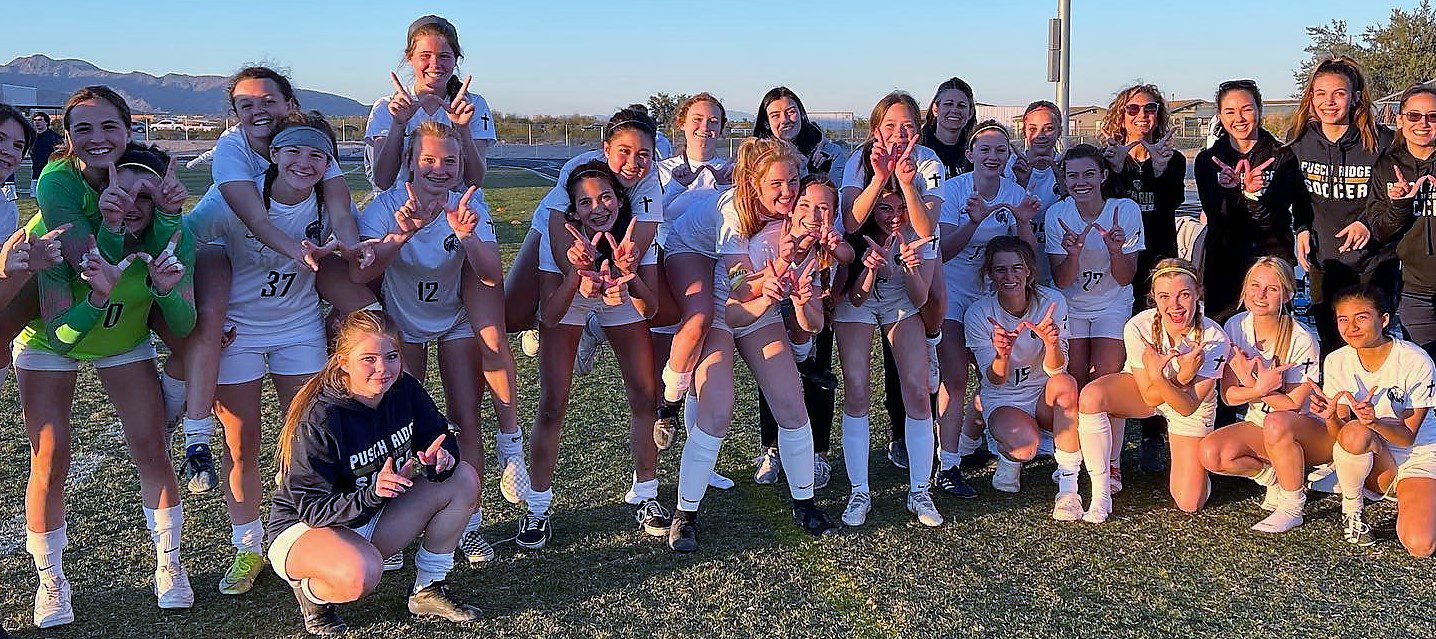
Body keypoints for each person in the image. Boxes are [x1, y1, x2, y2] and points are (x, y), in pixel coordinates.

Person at [167, 66, 367, 497]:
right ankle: (193, 427)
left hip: (292, 316)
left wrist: (353, 249)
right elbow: (255, 220)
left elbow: (341, 211)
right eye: (246, 105)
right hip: (222, 270)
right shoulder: (232, 156)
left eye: (268, 102)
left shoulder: (314, 151)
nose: (258, 111)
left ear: (290, 105)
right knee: (212, 318)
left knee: (316, 428)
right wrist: (298, 250)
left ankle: (313, 513)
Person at [27, 138, 197, 624]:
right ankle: (51, 580)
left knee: (151, 445)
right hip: (49, 340)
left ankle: (170, 563)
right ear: (106, 187)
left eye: (148, 196)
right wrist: (98, 298)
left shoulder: (173, 234)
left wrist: (166, 294)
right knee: (50, 453)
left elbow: (183, 329)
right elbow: (59, 338)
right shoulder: (58, 231)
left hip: (121, 342)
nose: (134, 206)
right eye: (125, 191)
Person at [186, 113, 350, 594]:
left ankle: (306, 532)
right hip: (239, 332)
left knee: (309, 439)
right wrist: (204, 316)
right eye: (293, 151)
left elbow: (351, 244)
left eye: (317, 154)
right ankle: (247, 545)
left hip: (298, 328)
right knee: (243, 443)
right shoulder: (231, 198)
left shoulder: (329, 202)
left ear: (329, 164)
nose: (304, 162)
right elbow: (184, 240)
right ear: (273, 154)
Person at [355, 120, 525, 563]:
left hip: (453, 320)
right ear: (410, 162)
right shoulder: (383, 206)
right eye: (428, 159)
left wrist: (467, 236)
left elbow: (491, 273)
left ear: (461, 164)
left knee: (464, 418)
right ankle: (392, 525)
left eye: (449, 160)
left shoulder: (469, 205)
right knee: (397, 428)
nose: (439, 168)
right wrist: (402, 234)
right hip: (401, 323)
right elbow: (362, 274)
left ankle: (469, 523)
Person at [666, 137, 838, 552]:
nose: (788, 192)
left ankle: (805, 502)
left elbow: (812, 314)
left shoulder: (801, 224)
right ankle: (684, 512)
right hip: (724, 301)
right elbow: (739, 297)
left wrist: (798, 294)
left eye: (794, 182)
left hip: (756, 309)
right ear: (753, 184)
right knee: (717, 410)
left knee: (792, 404)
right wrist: (774, 274)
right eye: (777, 183)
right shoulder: (735, 212)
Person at [267, 310, 481, 636]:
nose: (383, 368)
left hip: (368, 511)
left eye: (391, 356)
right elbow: (311, 509)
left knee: (462, 478)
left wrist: (442, 458)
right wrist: (373, 494)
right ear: (342, 362)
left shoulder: (404, 389)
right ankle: (313, 598)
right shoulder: (321, 418)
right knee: (362, 573)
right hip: (305, 528)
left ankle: (428, 589)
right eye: (369, 359)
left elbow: (438, 436)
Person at [518, 160, 668, 549]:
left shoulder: (634, 239)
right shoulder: (563, 243)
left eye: (605, 197)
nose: (597, 208)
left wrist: (630, 276)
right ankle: (537, 507)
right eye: (585, 203)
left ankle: (646, 493)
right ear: (572, 211)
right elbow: (549, 314)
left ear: (620, 199)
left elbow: (649, 310)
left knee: (644, 396)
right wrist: (576, 275)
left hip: (620, 296)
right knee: (552, 403)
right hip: (571, 298)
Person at [503, 108, 665, 366]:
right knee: (511, 317)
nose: (633, 163)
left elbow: (640, 239)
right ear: (606, 148)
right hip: (566, 235)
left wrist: (611, 281)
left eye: (643, 154)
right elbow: (558, 234)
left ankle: (591, 327)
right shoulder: (577, 167)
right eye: (624, 151)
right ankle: (537, 323)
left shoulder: (649, 179)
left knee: (663, 310)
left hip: (616, 237)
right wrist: (578, 279)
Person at [1075, 259, 1229, 522]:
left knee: (1189, 502)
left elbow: (1186, 406)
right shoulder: (1138, 326)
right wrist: (1180, 376)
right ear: (1153, 298)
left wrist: (1165, 376)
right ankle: (1101, 492)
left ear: (1198, 294)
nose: (1175, 305)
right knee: (1092, 396)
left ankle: (1198, 472)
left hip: (1190, 405)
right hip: (1150, 391)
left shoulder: (1215, 337)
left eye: (1184, 295)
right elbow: (1149, 396)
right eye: (1164, 296)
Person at [936, 120, 1042, 496]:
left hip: (991, 294)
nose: (993, 156)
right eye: (985, 149)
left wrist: (1025, 222)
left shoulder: (1014, 191)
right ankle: (947, 465)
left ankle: (968, 442)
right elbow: (944, 250)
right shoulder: (952, 190)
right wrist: (973, 221)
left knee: (992, 371)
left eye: (1001, 150)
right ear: (970, 154)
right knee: (955, 378)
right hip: (951, 291)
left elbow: (1026, 254)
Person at [835, 173, 940, 526]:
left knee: (917, 388)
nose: (893, 215)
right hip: (859, 302)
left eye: (900, 207)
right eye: (884, 207)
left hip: (901, 301)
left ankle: (920, 491)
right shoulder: (853, 234)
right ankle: (859, 491)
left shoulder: (920, 232)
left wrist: (909, 268)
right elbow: (854, 297)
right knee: (857, 389)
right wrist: (869, 269)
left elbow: (921, 298)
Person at [1198, 257, 1324, 533]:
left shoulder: (1303, 338)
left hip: (1305, 431)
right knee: (1212, 453)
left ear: (1288, 294)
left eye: (1272, 288)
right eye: (1255, 285)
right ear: (1244, 288)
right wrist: (1255, 388)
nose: (1261, 295)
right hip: (1262, 424)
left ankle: (1293, 505)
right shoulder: (1235, 325)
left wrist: (1255, 386)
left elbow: (1292, 405)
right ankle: (1273, 477)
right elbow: (1229, 396)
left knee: (1277, 421)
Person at [1098, 83, 1187, 473]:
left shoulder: (1172, 158)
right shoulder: (1108, 157)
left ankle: (1154, 434)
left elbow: (1169, 202)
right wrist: (1116, 170)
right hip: (1118, 263)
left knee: (1160, 343)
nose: (1142, 116)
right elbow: (1102, 202)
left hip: (1158, 263)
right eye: (1132, 109)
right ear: (1121, 114)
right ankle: (1110, 425)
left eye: (1150, 109)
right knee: (1119, 347)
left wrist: (1162, 167)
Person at [1286, 56, 1394, 353]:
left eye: (1339, 93)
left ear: (1355, 97)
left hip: (1375, 260)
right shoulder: (1299, 141)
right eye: (1321, 93)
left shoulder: (1382, 141)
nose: (1329, 102)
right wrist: (1302, 228)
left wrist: (1368, 223)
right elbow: (1297, 195)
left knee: (1374, 342)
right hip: (1326, 261)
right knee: (1333, 345)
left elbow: (1392, 196)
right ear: (1311, 98)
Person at [962, 237, 1079, 513]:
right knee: (1025, 448)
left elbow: (1056, 369)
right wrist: (1002, 355)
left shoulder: (1052, 302)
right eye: (1000, 270)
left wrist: (1051, 344)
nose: (1009, 276)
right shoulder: (979, 313)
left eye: (1017, 268)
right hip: (1005, 398)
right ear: (989, 273)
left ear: (1029, 271)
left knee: (1066, 383)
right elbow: (994, 379)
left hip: (1042, 395)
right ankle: (1007, 454)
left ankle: (1068, 487)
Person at [1318, 285, 1435, 557]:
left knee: (1421, 545)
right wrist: (1330, 418)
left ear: (1383, 320)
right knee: (1355, 433)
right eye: (1343, 319)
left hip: (1418, 454)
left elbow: (1408, 436)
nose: (1351, 327)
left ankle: (1414, 495)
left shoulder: (1415, 360)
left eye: (1361, 317)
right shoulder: (1336, 360)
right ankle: (1352, 512)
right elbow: (1343, 436)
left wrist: (1374, 422)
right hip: (1376, 455)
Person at [652, 93, 733, 455]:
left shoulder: (731, 170)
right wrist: (676, 186)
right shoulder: (665, 170)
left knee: (706, 367)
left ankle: (696, 457)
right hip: (673, 265)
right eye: (698, 119)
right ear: (682, 123)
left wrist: (732, 185)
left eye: (714, 120)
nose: (706, 127)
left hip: (718, 266)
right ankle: (663, 417)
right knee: (673, 350)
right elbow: (650, 218)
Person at [1194, 80, 1304, 322]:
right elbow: (1217, 217)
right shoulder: (1207, 160)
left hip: (1272, 256)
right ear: (1220, 116)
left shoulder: (1283, 156)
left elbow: (1285, 213)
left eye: (1246, 109)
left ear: (1259, 109)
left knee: (1270, 337)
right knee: (1224, 339)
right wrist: (1231, 190)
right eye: (1230, 112)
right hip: (1224, 263)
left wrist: (1255, 194)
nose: (1239, 118)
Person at [1046, 144, 1144, 391]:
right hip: (1072, 304)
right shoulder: (1057, 214)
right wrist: (1074, 254)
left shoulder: (1125, 210)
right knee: (1075, 377)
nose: (1081, 182)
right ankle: (1077, 428)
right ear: (1064, 179)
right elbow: (1062, 280)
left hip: (1112, 302)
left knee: (1104, 376)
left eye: (1089, 174)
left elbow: (1125, 278)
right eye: (1073, 175)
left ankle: (1106, 427)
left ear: (1103, 176)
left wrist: (1115, 250)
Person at [366, 14, 494, 192]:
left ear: (456, 59)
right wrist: (398, 124)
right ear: (410, 58)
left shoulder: (472, 105)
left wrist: (462, 129)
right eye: (425, 56)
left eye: (444, 56)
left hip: (456, 208)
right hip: (403, 207)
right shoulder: (386, 107)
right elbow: (383, 181)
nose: (435, 64)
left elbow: (475, 181)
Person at [1366, 84, 1436, 361]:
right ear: (1400, 120)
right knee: (1425, 365)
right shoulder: (1386, 165)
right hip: (1414, 288)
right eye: (1414, 116)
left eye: (1432, 116)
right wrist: (1400, 204)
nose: (1423, 123)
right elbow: (1380, 230)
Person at [919, 77, 977, 178]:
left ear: (970, 112)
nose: (954, 110)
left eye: (961, 105)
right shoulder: (919, 149)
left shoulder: (976, 152)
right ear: (935, 109)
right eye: (948, 104)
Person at [29, 112, 63, 196]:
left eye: (40, 120)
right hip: (36, 174)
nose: (37, 122)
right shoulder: (31, 138)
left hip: (51, 173)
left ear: (46, 122)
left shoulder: (55, 138)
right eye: (35, 120)